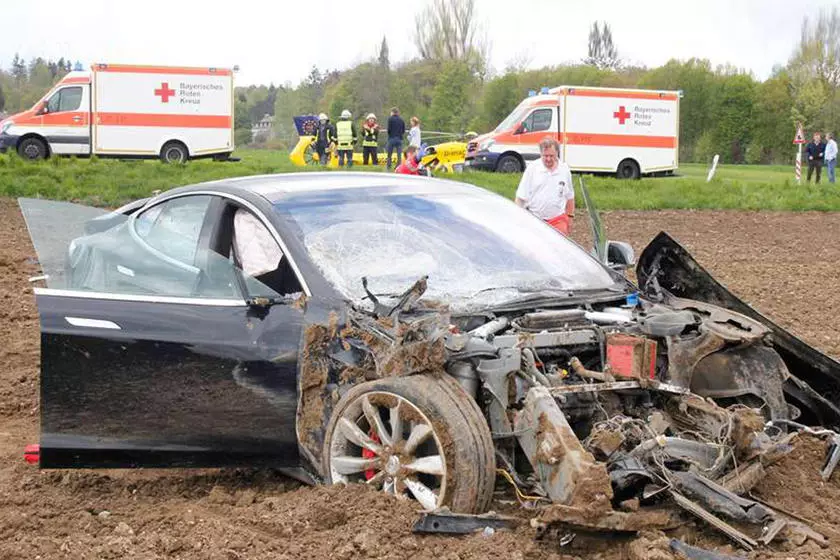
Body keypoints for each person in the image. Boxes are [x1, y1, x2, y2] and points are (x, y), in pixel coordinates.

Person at [515, 137, 575, 235]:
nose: (548, 159)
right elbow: (520, 198)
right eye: (545, 156)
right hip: (535, 219)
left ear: (557, 154)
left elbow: (570, 197)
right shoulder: (532, 169)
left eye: (552, 156)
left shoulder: (564, 170)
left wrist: (570, 218)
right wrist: (518, 219)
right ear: (541, 154)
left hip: (558, 220)